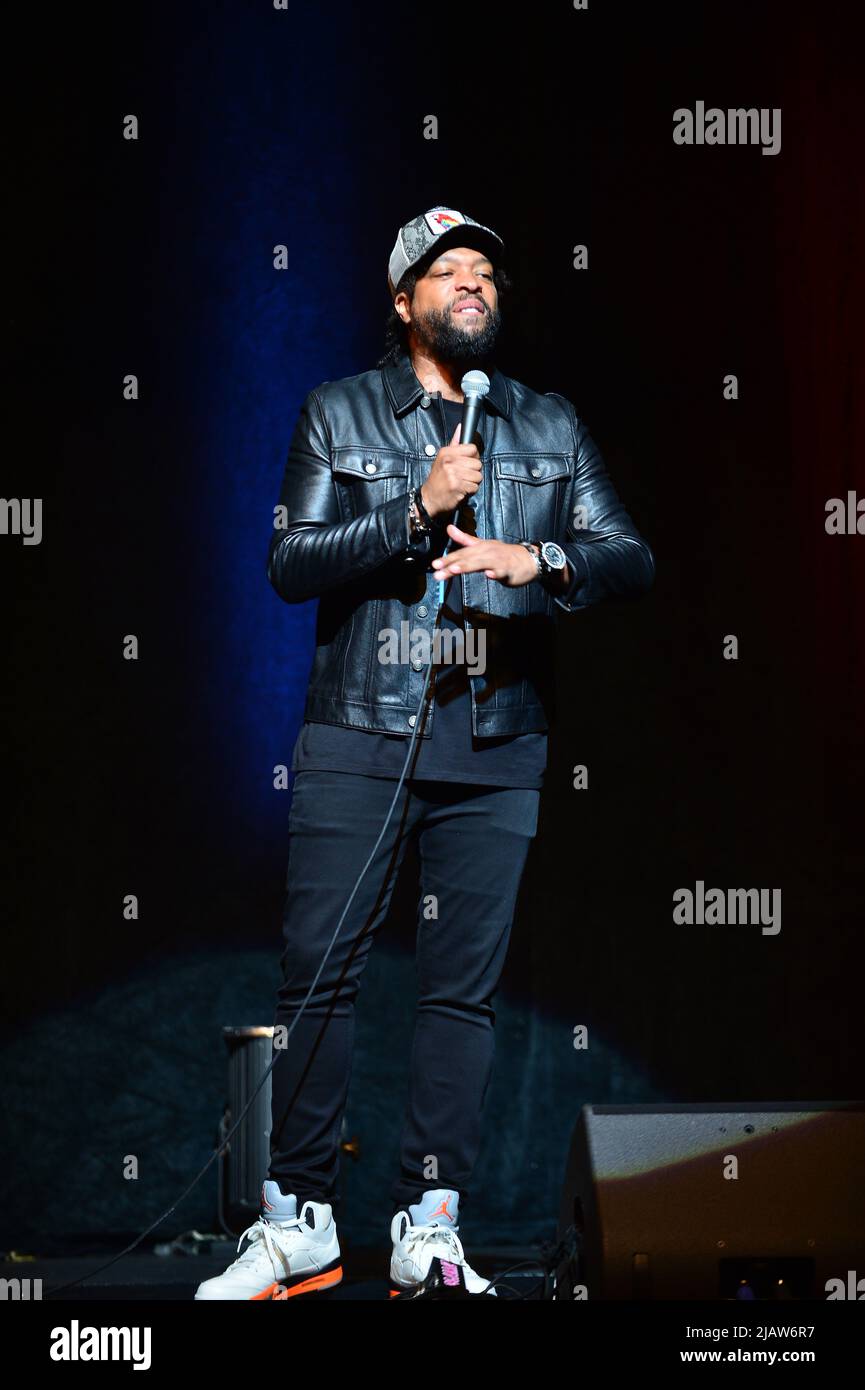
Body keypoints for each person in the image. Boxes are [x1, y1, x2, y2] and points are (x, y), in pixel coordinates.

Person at [195, 205, 655, 1301]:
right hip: (361, 727)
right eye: (447, 272)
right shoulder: (338, 409)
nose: (472, 285)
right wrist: (413, 511)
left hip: (496, 737)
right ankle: (297, 1220)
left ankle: (428, 1222)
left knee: (461, 994)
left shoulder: (546, 423)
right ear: (403, 301)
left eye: (486, 272)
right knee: (320, 980)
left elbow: (627, 555)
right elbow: (289, 561)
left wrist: (536, 556)